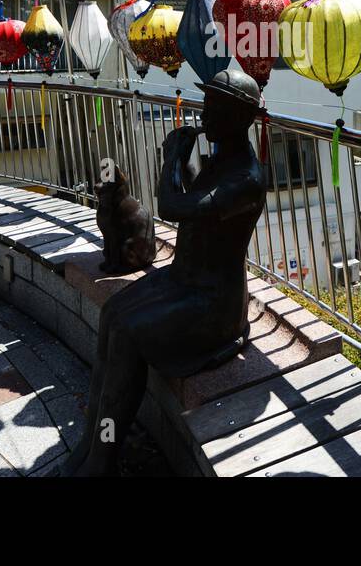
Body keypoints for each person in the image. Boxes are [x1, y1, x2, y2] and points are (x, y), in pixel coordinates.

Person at [63, 70, 267, 476]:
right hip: (184, 281)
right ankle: (95, 436)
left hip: (213, 305)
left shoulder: (245, 177)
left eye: (214, 107)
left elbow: (175, 208)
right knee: (111, 314)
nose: (204, 115)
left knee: (127, 333)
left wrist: (172, 158)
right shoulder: (221, 161)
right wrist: (183, 167)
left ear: (239, 117)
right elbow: (196, 201)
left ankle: (103, 456)